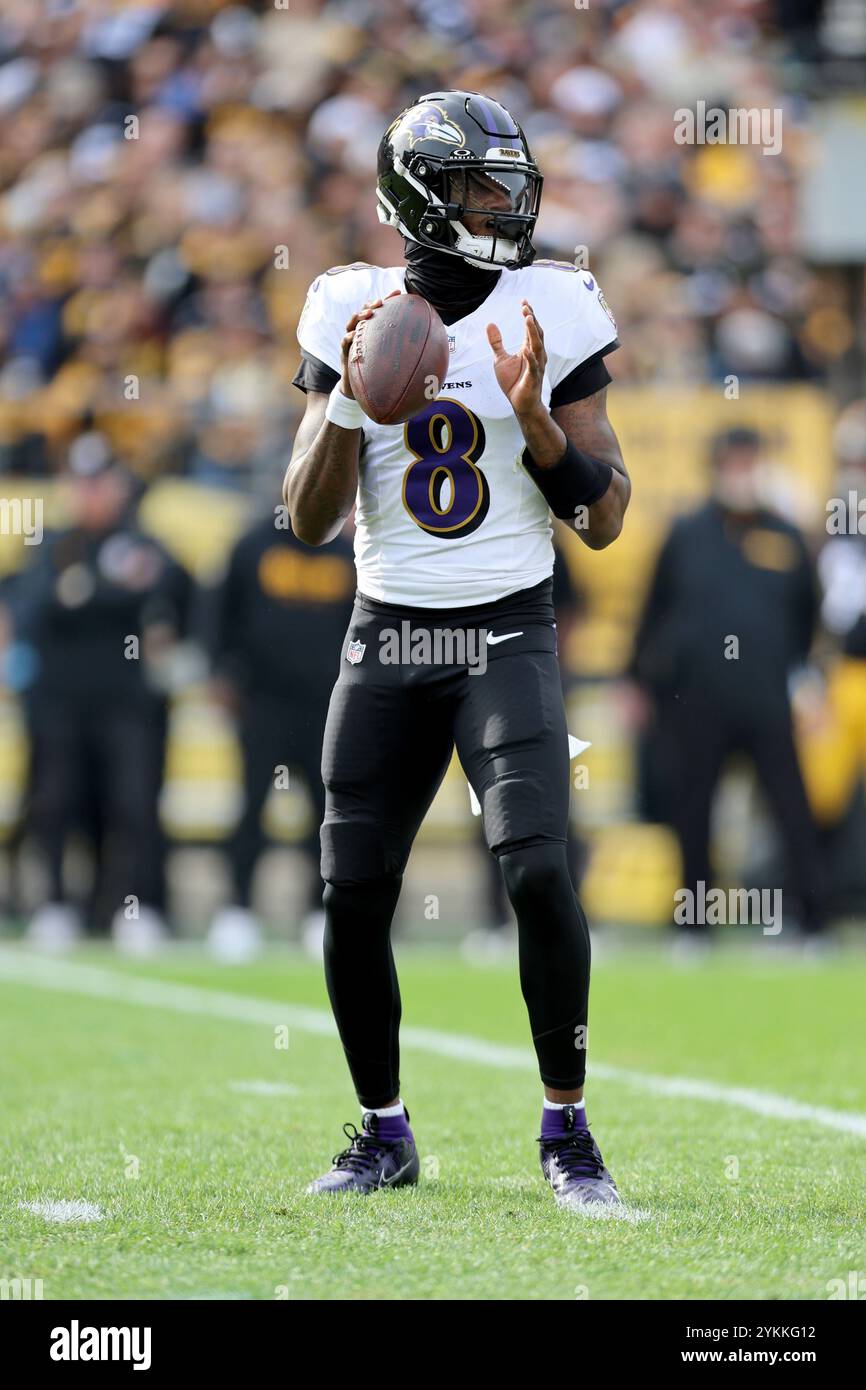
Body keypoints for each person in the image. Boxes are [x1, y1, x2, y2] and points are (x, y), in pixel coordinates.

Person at [285, 92, 629, 1209]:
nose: (503, 201)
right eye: (479, 185)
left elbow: (607, 513)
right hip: (386, 629)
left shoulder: (556, 303)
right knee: (348, 891)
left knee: (533, 866)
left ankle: (566, 1127)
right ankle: (382, 1131)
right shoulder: (349, 300)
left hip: (506, 629)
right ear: (419, 198)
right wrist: (343, 400)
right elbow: (303, 518)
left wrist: (537, 433)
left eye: (505, 181)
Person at [628, 427, 824, 943]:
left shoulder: (785, 534)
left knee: (791, 809)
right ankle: (694, 926)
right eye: (732, 463)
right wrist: (636, 681)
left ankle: (811, 922)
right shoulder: (686, 533)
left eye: (749, 462)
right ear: (714, 468)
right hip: (697, 700)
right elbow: (653, 613)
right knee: (693, 812)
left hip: (766, 699)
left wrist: (805, 679)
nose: (741, 473)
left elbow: (809, 615)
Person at [6, 432, 191, 953]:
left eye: (100, 484)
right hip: (58, 703)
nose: (90, 495)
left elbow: (173, 593)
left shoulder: (143, 541)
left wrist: (85, 593)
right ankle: (56, 905)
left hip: (129, 705)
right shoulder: (50, 543)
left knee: (132, 805)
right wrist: (105, 593)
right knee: (55, 805)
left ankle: (135, 909)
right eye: (82, 484)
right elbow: (34, 607)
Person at [204, 509, 355, 961]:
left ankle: (320, 909)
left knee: (326, 814)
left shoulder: (347, 552)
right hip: (263, 702)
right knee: (252, 807)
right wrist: (220, 675)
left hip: (326, 705)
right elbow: (216, 616)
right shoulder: (251, 545)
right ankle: (237, 910)